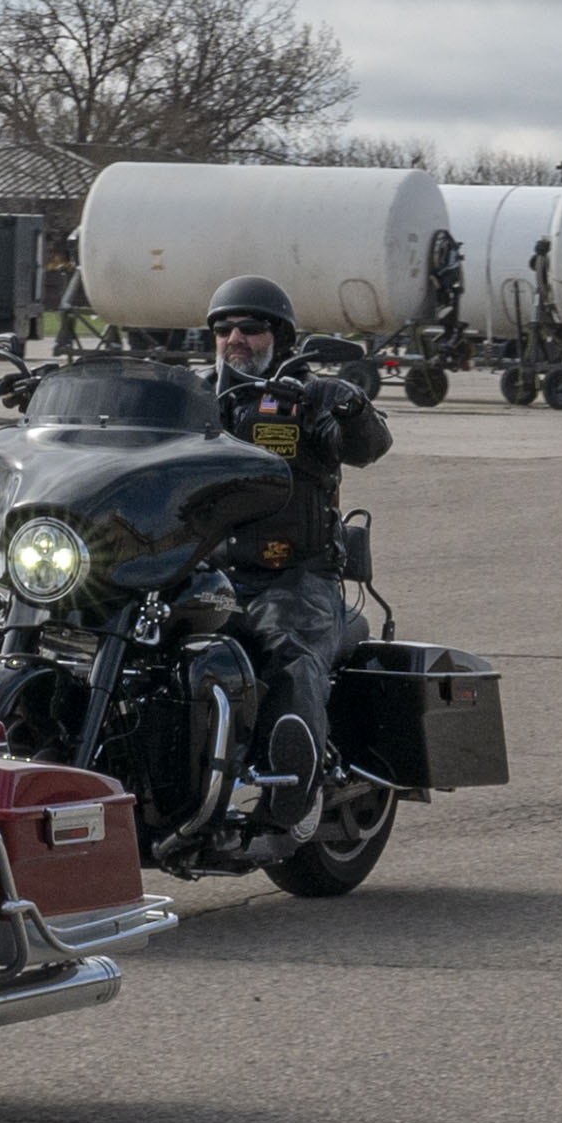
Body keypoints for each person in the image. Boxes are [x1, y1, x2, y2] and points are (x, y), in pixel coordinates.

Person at [201, 275, 393, 836]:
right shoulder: (191, 400)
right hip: (204, 573)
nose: (235, 337)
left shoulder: (304, 399)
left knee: (289, 646)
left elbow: (368, 447)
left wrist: (352, 406)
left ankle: (296, 784)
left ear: (279, 337)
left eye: (251, 327)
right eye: (223, 328)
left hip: (294, 576)